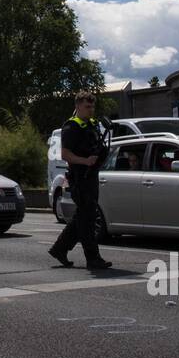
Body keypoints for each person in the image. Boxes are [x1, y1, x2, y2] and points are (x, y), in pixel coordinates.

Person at [48, 92, 112, 269]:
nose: (91, 110)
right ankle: (93, 258)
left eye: (92, 107)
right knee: (87, 219)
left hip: (91, 175)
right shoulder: (71, 126)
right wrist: (85, 161)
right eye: (87, 107)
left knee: (83, 216)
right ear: (77, 106)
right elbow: (65, 154)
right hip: (80, 177)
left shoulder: (91, 124)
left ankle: (59, 249)